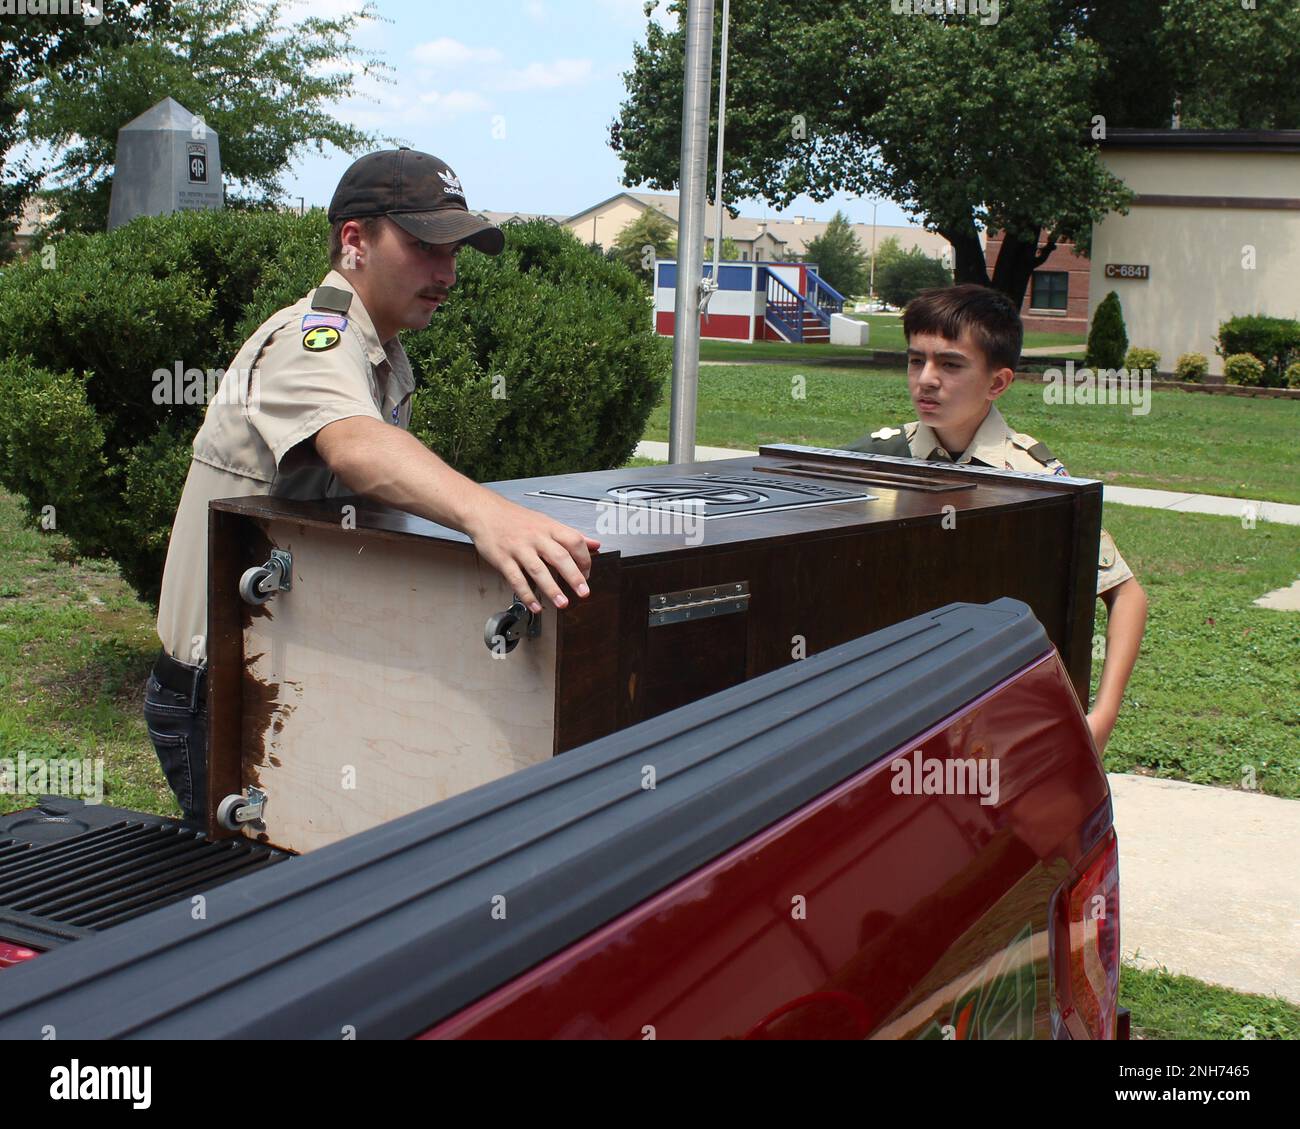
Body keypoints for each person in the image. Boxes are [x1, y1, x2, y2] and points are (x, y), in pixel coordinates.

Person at [146, 147, 599, 824]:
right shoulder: (313, 337)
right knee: (258, 906)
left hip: (279, 663)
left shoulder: (378, 350)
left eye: (455, 253)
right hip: (221, 688)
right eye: (424, 247)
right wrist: (491, 517)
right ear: (354, 241)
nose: (447, 273)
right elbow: (357, 449)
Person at [844, 284, 1147, 753]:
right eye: (915, 360)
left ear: (998, 382)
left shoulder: (1034, 480)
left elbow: (1125, 594)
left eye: (950, 364)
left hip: (992, 715)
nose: (925, 379)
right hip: (884, 710)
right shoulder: (875, 458)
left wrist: (1101, 718)